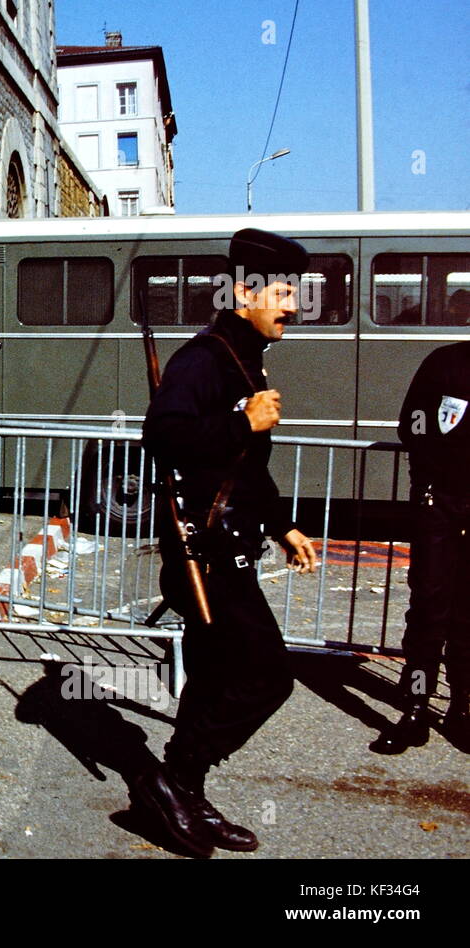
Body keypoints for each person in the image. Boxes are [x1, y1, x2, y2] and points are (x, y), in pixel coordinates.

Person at [137, 227, 319, 856]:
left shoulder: (244, 358)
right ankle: (171, 780)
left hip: (232, 546)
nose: (294, 306)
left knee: (213, 677)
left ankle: (182, 788)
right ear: (245, 291)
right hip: (206, 557)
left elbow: (244, 468)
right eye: (284, 292)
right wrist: (242, 418)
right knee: (266, 676)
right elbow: (162, 435)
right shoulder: (206, 358)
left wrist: (282, 525)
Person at [372, 338, 470, 753]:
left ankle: (462, 708)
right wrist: (437, 470)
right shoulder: (445, 362)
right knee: (429, 609)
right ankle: (414, 707)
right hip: (440, 505)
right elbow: (411, 423)